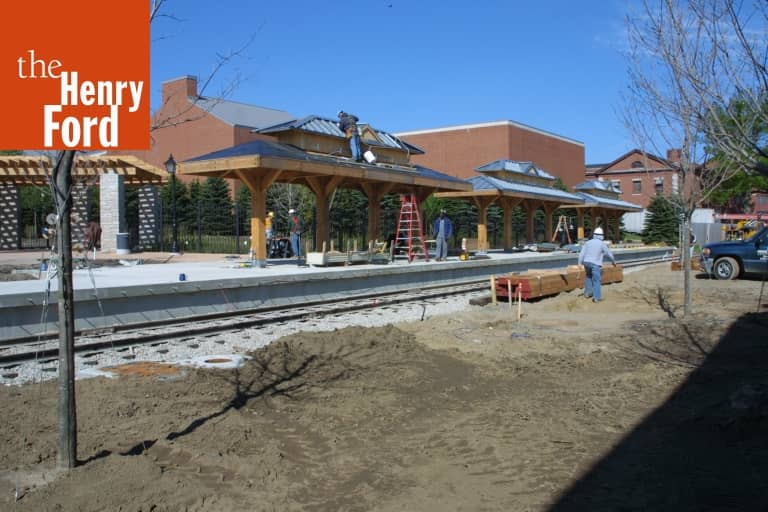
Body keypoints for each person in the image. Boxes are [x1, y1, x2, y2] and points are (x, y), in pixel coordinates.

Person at [577, 226, 616, 303]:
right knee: (596, 280)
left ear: (594, 234)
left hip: (586, 263)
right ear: (601, 235)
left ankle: (587, 293)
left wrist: (579, 263)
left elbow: (581, 254)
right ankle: (597, 298)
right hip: (595, 264)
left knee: (588, 277)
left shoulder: (587, 243)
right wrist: (613, 262)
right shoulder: (602, 244)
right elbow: (609, 254)